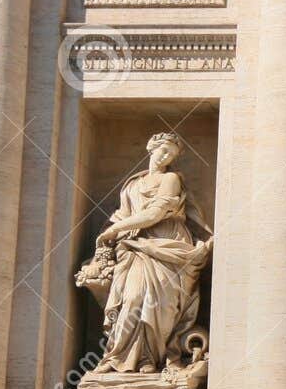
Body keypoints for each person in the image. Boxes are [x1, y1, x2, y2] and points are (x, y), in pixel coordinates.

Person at [85, 132, 213, 376]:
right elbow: (122, 215)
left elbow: (155, 214)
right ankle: (117, 357)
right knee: (132, 299)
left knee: (161, 305)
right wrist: (109, 235)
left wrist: (115, 230)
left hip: (167, 244)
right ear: (150, 147)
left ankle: (150, 358)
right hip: (135, 246)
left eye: (171, 155)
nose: (165, 157)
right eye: (163, 151)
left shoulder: (171, 179)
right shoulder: (132, 184)